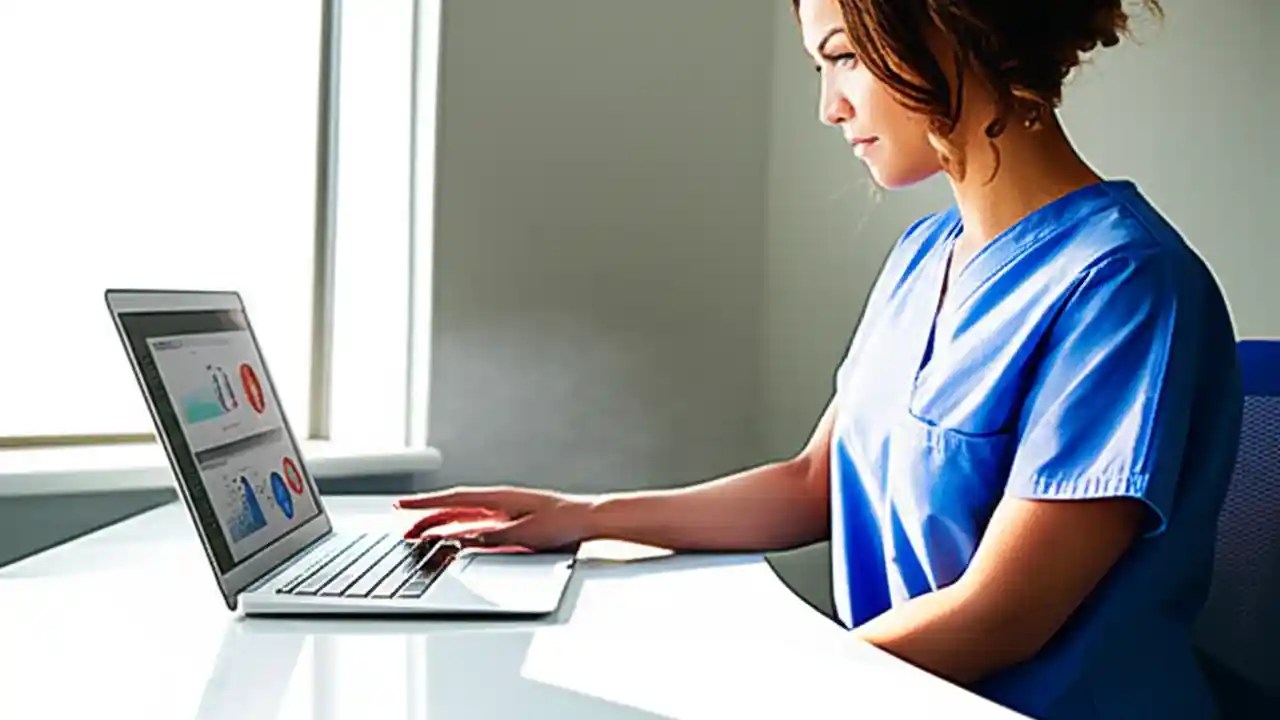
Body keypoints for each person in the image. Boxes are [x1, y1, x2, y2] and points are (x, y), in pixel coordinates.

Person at [395, 0, 1244, 717]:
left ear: (952, 28)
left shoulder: (1123, 284)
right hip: (886, 695)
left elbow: (1004, 616)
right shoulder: (926, 254)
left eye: (842, 58)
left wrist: (757, 694)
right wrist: (583, 515)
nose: (830, 107)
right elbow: (815, 482)